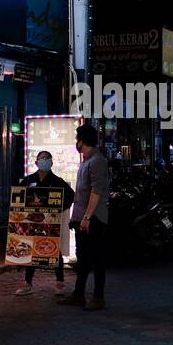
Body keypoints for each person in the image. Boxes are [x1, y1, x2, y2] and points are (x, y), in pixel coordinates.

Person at [58, 124, 110, 311]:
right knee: (83, 258)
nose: (76, 143)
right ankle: (79, 294)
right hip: (82, 218)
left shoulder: (97, 161)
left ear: (82, 140)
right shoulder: (87, 160)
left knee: (96, 258)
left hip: (93, 219)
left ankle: (98, 297)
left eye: (77, 139)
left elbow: (96, 192)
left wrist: (87, 217)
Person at [15, 150, 74, 296]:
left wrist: (61, 208)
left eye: (47, 158)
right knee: (32, 251)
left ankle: (59, 282)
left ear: (52, 162)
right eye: (42, 158)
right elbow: (17, 197)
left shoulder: (57, 181)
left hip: (50, 223)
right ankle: (28, 282)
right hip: (31, 223)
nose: (44, 161)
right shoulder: (28, 180)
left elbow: (70, 195)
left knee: (53, 250)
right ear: (36, 162)